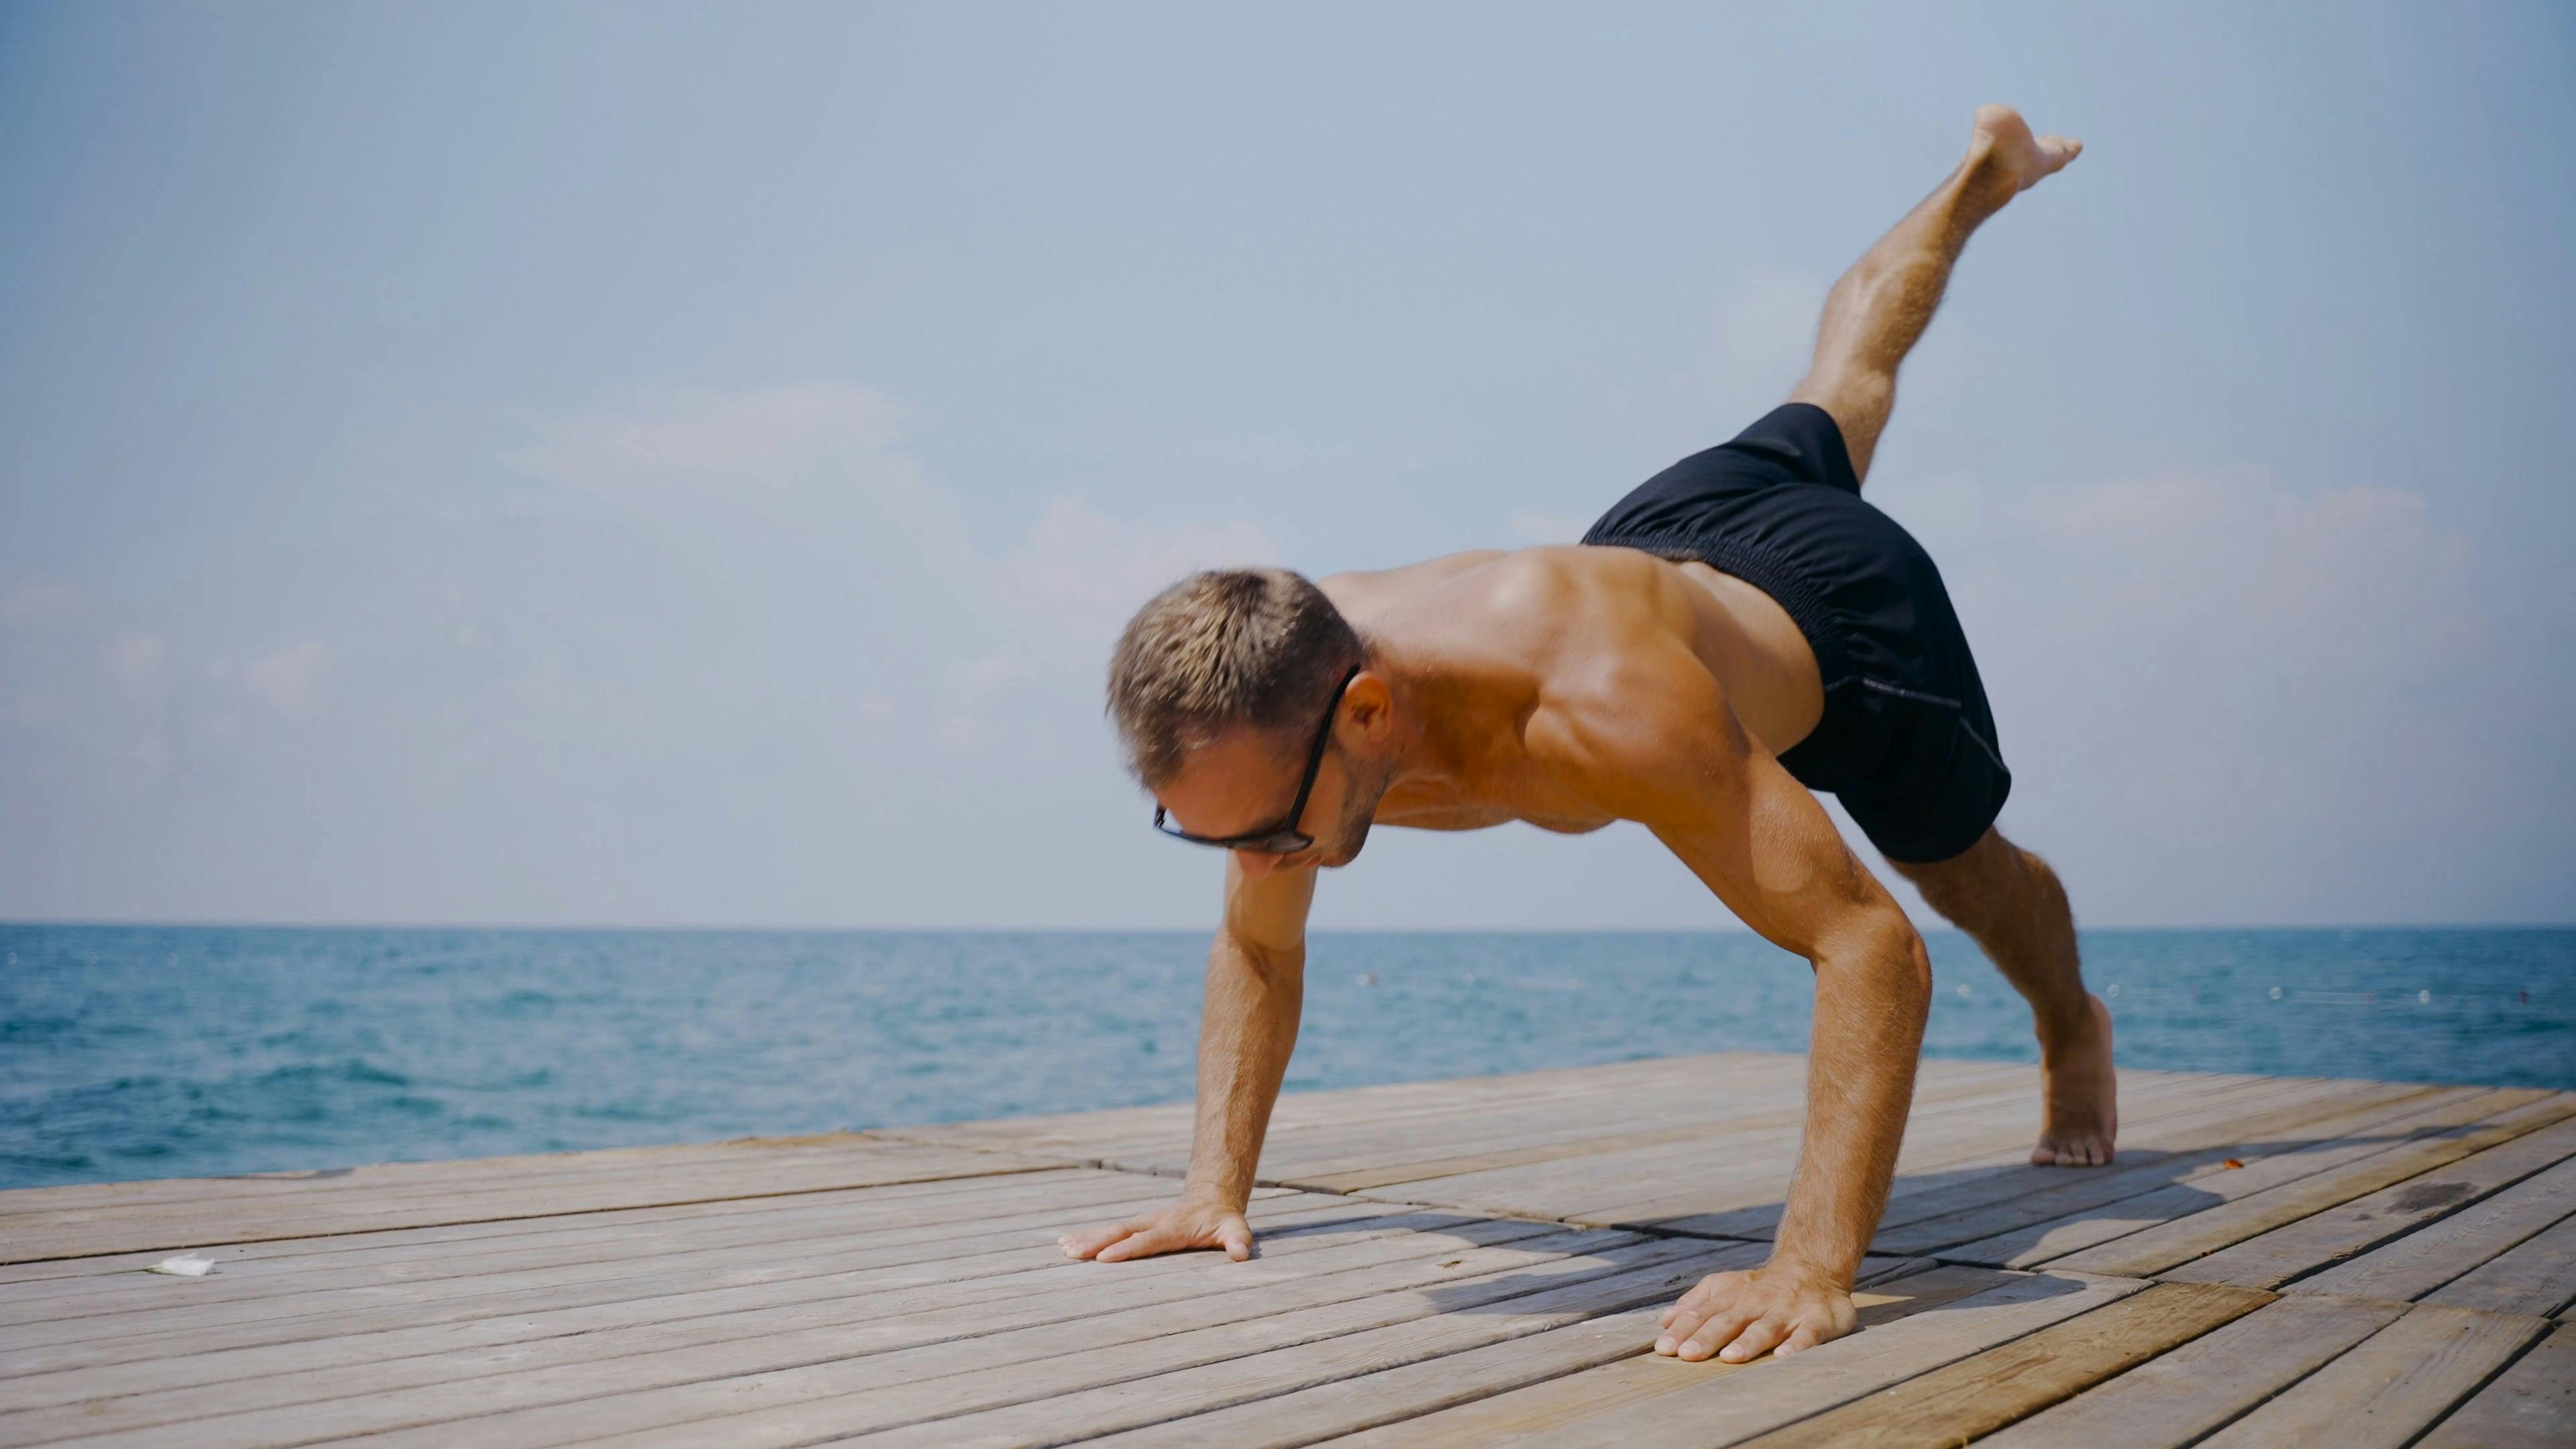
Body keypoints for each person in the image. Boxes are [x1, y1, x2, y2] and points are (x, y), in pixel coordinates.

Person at [1061, 105, 2100, 1366]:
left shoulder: (1597, 712)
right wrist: (1213, 1190)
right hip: (1660, 546)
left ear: (1370, 712)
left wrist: (1811, 1270)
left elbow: (1866, 949)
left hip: (1842, 633)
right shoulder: (1282, 685)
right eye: (1214, 834)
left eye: (1271, 830)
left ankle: (2069, 1024)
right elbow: (1259, 948)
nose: (1259, 859)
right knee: (1834, 386)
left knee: (1957, 876)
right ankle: (1982, 177)